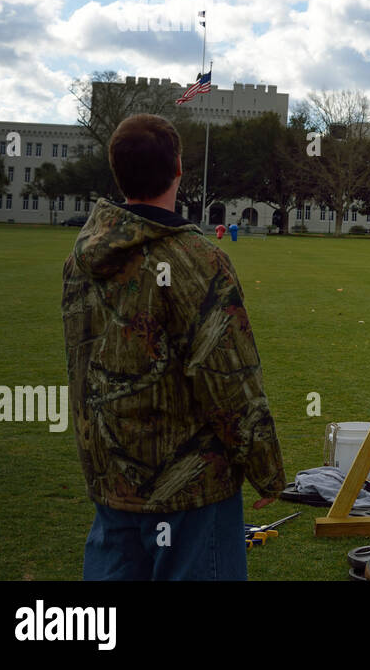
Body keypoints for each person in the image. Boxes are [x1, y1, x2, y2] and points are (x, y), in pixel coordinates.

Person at [62, 114, 285, 580]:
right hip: (190, 493)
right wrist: (265, 466)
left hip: (111, 480)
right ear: (178, 168)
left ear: (117, 171)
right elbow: (228, 378)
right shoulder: (195, 260)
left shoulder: (81, 258)